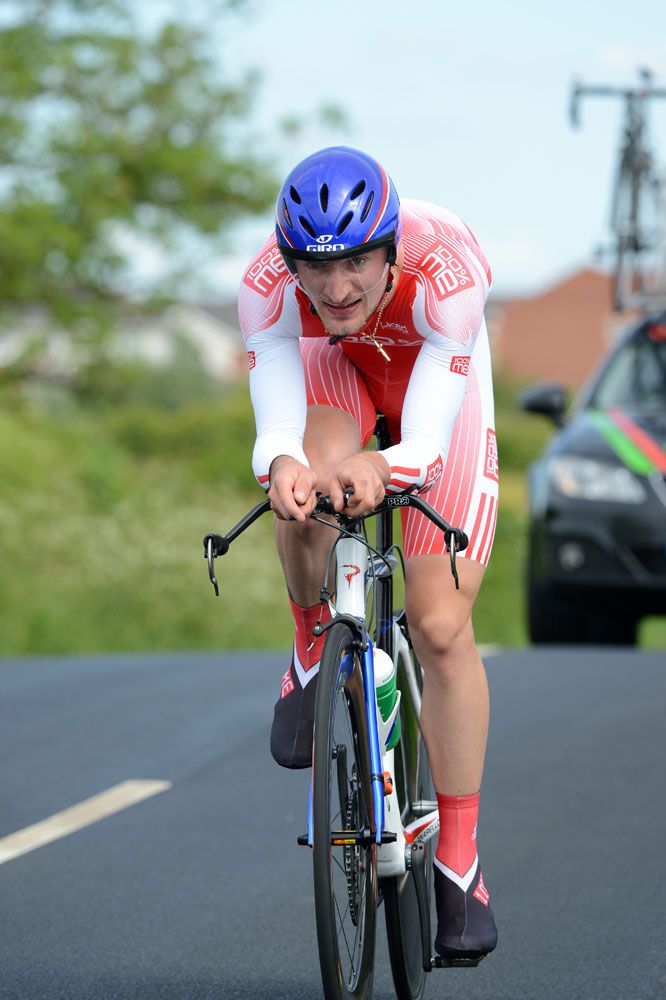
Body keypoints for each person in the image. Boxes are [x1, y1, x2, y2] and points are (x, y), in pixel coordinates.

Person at [238, 146, 498, 961]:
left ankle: (459, 858)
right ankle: (313, 647)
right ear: (290, 261)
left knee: (440, 623)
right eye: (317, 267)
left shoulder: (448, 275)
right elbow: (276, 423)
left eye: (355, 262)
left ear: (389, 249)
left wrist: (385, 466)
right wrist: (283, 464)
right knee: (307, 485)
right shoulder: (266, 288)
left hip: (435, 378)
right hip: (336, 375)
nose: (337, 287)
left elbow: (424, 437)